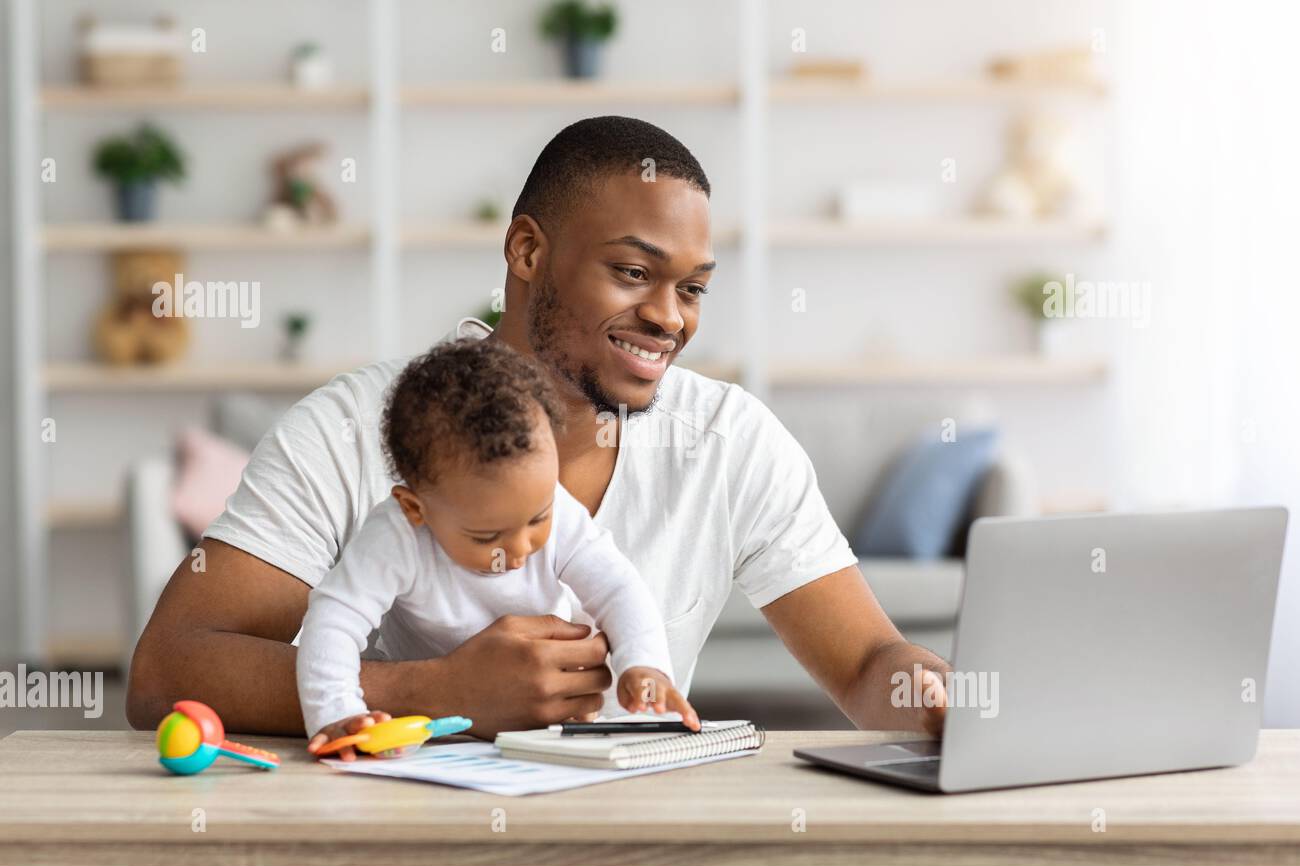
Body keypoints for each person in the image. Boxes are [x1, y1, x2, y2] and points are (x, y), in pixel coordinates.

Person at [126, 115, 950, 739]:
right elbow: (166, 671)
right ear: (526, 251)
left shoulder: (730, 442)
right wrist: (434, 689)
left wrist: (943, 701)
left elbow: (868, 663)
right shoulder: (352, 430)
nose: (669, 318)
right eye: (633, 273)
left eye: (693, 288)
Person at [297, 339, 697, 759]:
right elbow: (334, 619)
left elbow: (619, 589)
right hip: (430, 737)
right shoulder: (396, 536)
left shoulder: (561, 512)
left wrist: (644, 664)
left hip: (545, 729)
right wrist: (337, 712)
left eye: (538, 518)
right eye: (488, 537)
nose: (521, 550)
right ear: (416, 509)